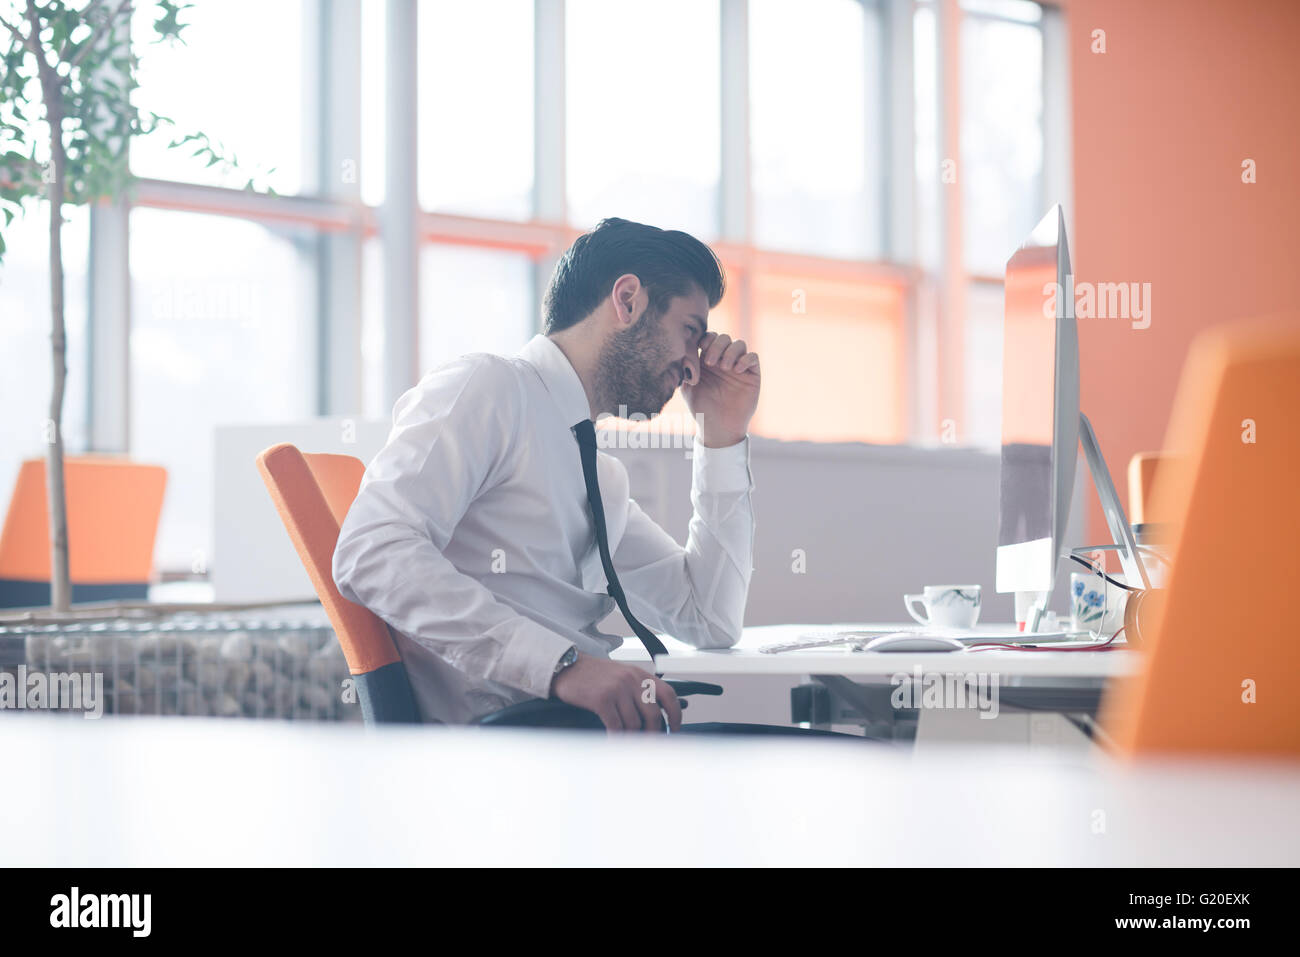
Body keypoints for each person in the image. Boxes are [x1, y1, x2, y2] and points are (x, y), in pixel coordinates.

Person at [334, 217, 759, 732]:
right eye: (689, 331)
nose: (693, 366)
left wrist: (722, 435)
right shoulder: (488, 388)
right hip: (516, 751)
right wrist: (562, 666)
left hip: (570, 740)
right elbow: (371, 549)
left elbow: (709, 619)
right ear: (628, 300)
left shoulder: (598, 474)